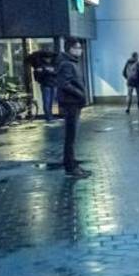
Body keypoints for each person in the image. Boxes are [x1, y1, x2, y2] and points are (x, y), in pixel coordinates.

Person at [55, 41, 90, 178]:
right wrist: (80, 94)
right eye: (76, 47)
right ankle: (70, 166)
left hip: (74, 102)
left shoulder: (72, 62)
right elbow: (65, 84)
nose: (79, 50)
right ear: (70, 49)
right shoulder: (67, 64)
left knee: (72, 136)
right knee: (71, 136)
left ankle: (72, 163)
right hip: (71, 103)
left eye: (80, 48)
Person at [27, 45, 59, 122]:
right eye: (47, 58)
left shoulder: (53, 64)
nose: (48, 59)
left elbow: (57, 72)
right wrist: (46, 71)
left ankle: (49, 115)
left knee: (50, 101)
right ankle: (48, 116)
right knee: (47, 101)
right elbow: (39, 74)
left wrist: (50, 71)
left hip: (52, 84)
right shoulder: (41, 65)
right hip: (46, 85)